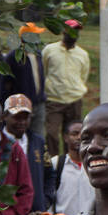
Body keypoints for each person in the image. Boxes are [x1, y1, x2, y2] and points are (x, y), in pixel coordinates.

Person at [42, 19, 89, 160]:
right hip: (53, 100)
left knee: (74, 136)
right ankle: (54, 164)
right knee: (51, 134)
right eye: (70, 29)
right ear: (63, 31)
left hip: (74, 100)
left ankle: (73, 162)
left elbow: (83, 76)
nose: (73, 33)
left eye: (76, 30)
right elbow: (43, 71)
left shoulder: (82, 54)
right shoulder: (50, 50)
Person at [3, 94, 50, 215]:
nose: (21, 122)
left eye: (25, 118)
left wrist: (44, 200)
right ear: (5, 116)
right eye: (17, 117)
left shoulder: (38, 142)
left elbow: (49, 173)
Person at [0, 24, 48, 140]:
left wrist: (41, 98)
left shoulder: (37, 55)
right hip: (20, 106)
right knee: (18, 137)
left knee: (37, 137)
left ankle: (35, 158)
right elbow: (4, 86)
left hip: (38, 104)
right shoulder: (13, 57)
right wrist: (10, 106)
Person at [52, 119, 92, 215]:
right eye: (75, 134)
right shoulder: (56, 163)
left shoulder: (94, 164)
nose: (79, 137)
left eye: (83, 134)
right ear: (65, 137)